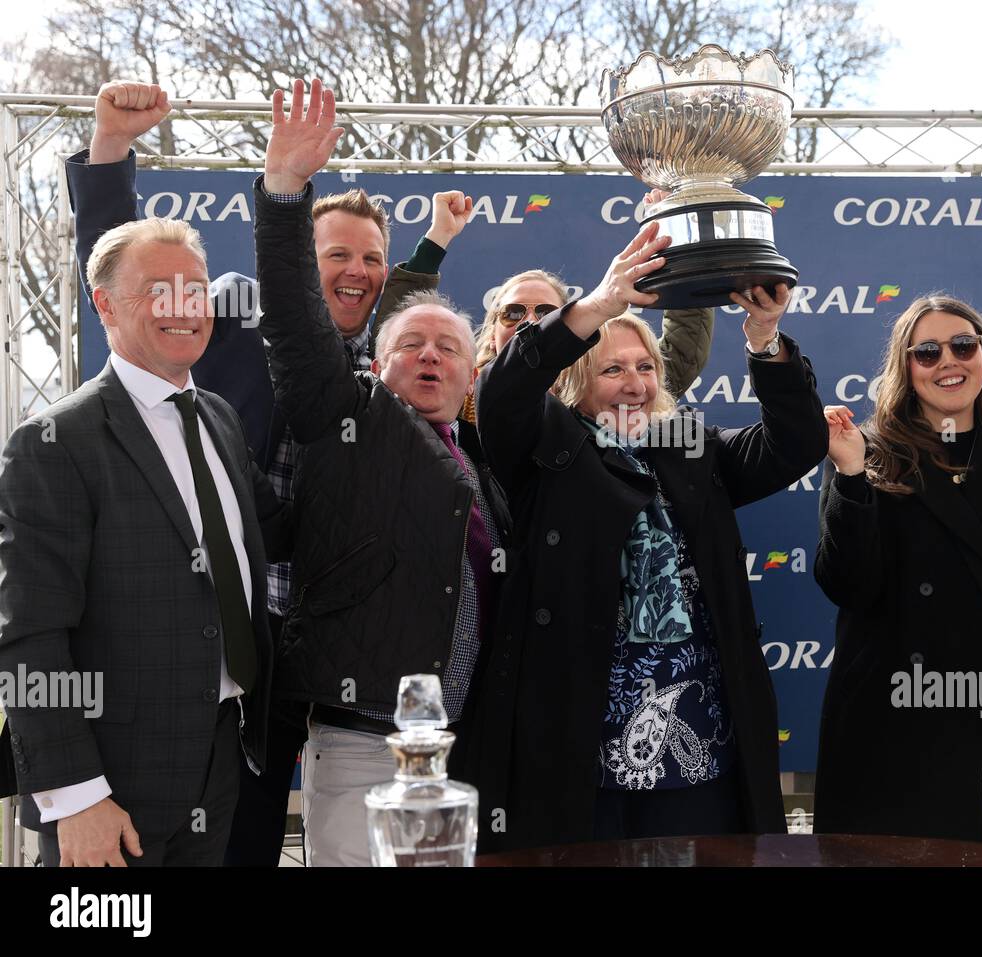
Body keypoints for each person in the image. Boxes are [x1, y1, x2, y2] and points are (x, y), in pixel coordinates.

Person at [66, 80, 469, 865]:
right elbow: (126, 273)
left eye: (371, 260)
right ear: (292, 258)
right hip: (231, 627)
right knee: (231, 834)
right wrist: (111, 150)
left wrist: (436, 243)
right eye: (336, 255)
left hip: (326, 648)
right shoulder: (236, 304)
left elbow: (401, 302)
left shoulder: (376, 367)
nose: (356, 271)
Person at [467, 221, 828, 851]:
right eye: (612, 370)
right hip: (582, 742)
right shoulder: (544, 452)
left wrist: (765, 341)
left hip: (701, 738)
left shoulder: (688, 450)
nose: (634, 384)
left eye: (644, 367)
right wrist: (603, 303)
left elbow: (794, 444)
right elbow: (502, 389)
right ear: (576, 383)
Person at [252, 78, 510, 866]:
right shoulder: (347, 412)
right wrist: (287, 189)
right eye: (410, 345)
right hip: (368, 741)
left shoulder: (483, 464)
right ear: (373, 366)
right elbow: (298, 324)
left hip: (461, 748)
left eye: (450, 348)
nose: (430, 355)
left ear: (474, 376)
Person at [0, 216, 288, 866]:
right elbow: (29, 636)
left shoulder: (219, 420)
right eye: (159, 290)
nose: (184, 307)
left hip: (218, 762)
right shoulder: (55, 443)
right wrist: (75, 795)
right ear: (104, 303)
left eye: (195, 289)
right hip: (111, 782)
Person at [813, 295, 982, 842]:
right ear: (906, 366)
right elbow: (845, 583)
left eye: (963, 345)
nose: (949, 361)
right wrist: (849, 475)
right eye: (927, 351)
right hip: (886, 709)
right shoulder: (864, 451)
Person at [378, 190, 716, 424]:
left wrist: (677, 235)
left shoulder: (596, 390)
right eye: (512, 312)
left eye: (545, 314)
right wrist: (436, 239)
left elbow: (681, 350)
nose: (528, 322)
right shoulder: (453, 390)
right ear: (491, 332)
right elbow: (396, 337)